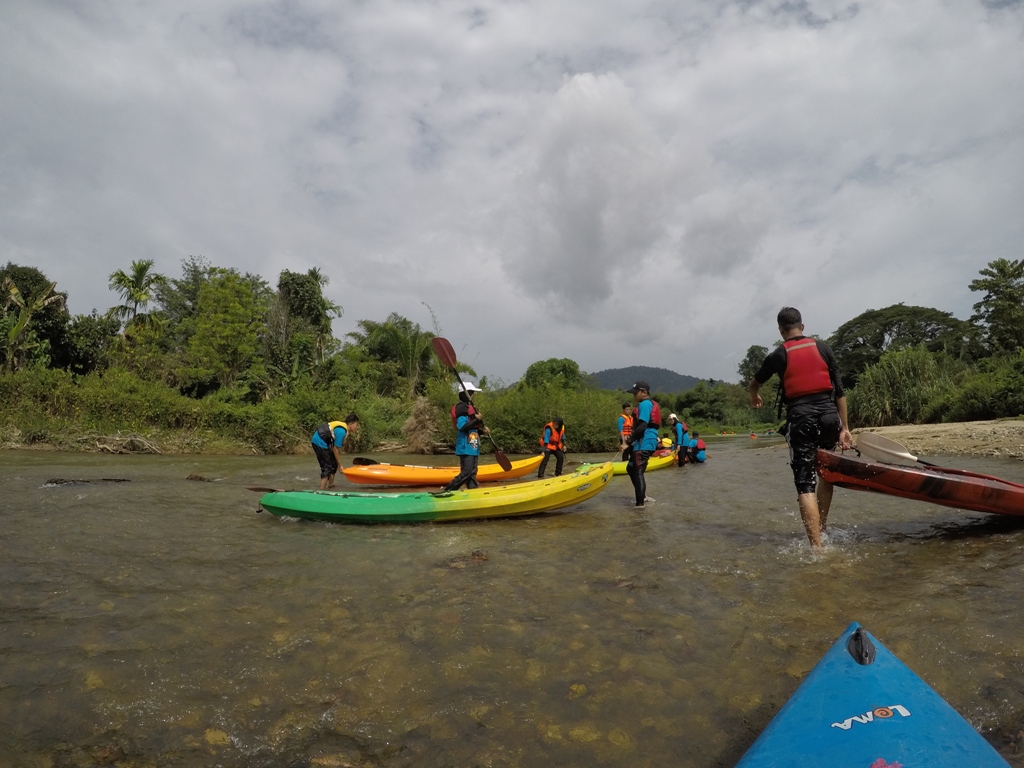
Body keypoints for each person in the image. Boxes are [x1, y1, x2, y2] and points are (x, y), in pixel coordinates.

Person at [749, 306, 853, 547]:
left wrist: (754, 396)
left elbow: (754, 382)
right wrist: (845, 427)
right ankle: (823, 529)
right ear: (802, 327)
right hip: (829, 418)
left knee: (805, 485)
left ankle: (816, 549)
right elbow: (839, 390)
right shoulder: (824, 348)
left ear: (780, 330)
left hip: (801, 419)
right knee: (825, 474)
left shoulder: (778, 354)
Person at [620, 380, 661, 508]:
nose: (634, 396)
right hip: (642, 442)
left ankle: (640, 505)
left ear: (644, 392)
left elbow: (643, 425)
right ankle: (642, 497)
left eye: (635, 393)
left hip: (645, 441)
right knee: (630, 468)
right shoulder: (647, 404)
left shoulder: (645, 404)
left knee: (638, 471)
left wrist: (627, 441)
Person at [443, 381, 490, 492]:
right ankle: (448, 490)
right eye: (472, 392)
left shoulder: (468, 407)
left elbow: (472, 430)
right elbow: (462, 426)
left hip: (472, 446)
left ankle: (473, 491)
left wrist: (483, 432)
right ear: (468, 394)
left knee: (472, 473)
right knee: (467, 472)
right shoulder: (461, 407)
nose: (473, 395)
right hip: (465, 445)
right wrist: (476, 419)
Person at [311, 413, 360, 489]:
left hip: (325, 442)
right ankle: (321, 490)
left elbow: (334, 447)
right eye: (356, 425)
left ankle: (331, 485)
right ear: (350, 424)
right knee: (327, 467)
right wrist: (340, 465)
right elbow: (335, 449)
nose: (357, 427)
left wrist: (337, 464)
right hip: (319, 442)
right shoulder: (342, 432)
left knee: (333, 463)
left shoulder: (343, 429)